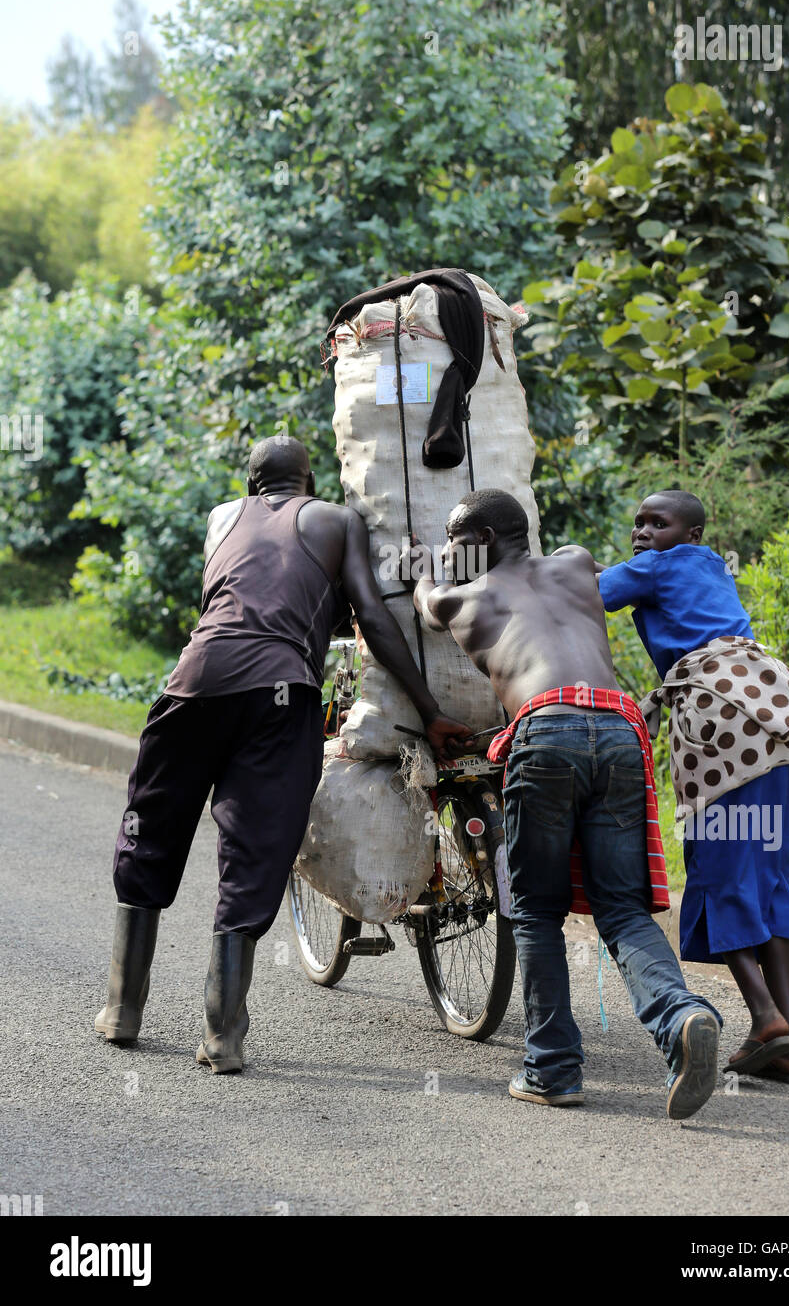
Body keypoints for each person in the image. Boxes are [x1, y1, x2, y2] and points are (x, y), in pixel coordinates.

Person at [95, 436, 472, 1073]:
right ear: (310, 481)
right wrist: (429, 710)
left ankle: (121, 1010)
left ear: (250, 484)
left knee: (152, 831)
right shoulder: (335, 519)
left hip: (192, 685)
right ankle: (221, 1035)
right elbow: (374, 620)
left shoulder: (221, 518)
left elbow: (238, 598)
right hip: (277, 698)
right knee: (257, 845)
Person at [405, 488, 723, 1119]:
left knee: (534, 908)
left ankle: (552, 1068)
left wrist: (426, 562)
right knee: (623, 910)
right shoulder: (577, 562)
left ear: (480, 543)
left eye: (456, 539)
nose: (449, 551)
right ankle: (681, 1015)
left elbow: (425, 600)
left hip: (545, 730)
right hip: (619, 728)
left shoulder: (460, 596)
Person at [597, 489, 789, 1085]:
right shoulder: (709, 565)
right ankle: (788, 1044)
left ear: (689, 534)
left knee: (719, 867)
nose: (642, 532)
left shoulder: (657, 566)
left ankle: (767, 1017)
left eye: (658, 523)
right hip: (773, 721)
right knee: (769, 873)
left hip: (718, 723)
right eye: (637, 522)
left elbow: (588, 595)